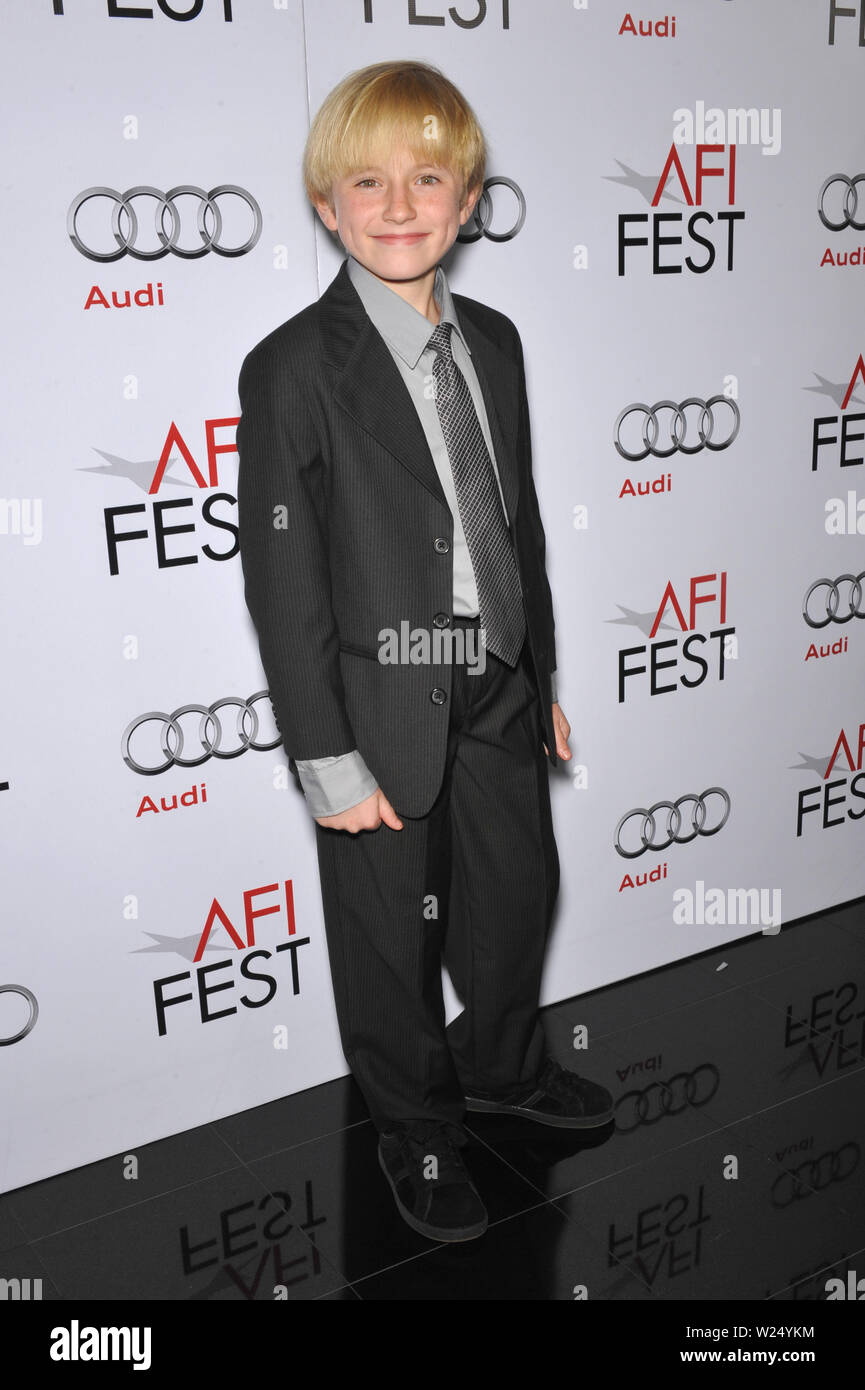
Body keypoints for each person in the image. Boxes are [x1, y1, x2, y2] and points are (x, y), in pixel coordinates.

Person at [236, 59, 613, 1244]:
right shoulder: (294, 367)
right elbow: (280, 577)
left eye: (427, 178)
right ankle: (415, 1124)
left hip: (496, 674)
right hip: (375, 699)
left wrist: (537, 667)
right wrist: (325, 756)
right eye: (367, 181)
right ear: (325, 205)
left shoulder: (492, 341)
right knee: (391, 935)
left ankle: (500, 1063)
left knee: (512, 895)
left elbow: (515, 516)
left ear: (466, 201)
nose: (398, 205)